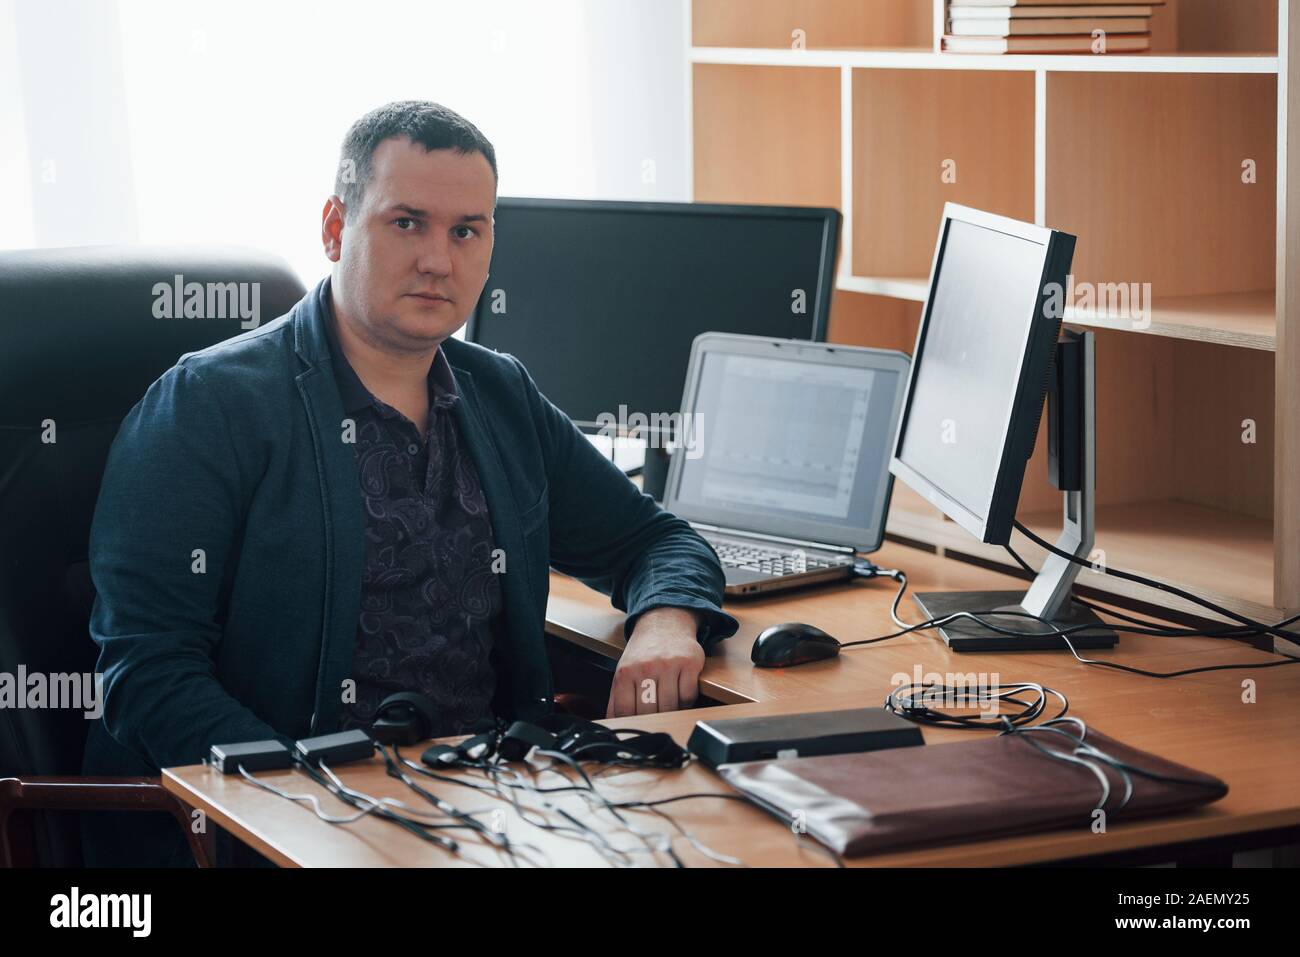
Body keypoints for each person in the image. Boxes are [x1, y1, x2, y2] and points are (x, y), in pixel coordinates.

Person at [81, 100, 737, 866]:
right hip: (281, 825)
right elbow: (147, 673)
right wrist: (315, 800)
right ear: (335, 228)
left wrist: (666, 619)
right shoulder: (208, 405)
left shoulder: (500, 396)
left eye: (466, 231)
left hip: (491, 810)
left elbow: (654, 539)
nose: (438, 259)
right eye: (407, 223)